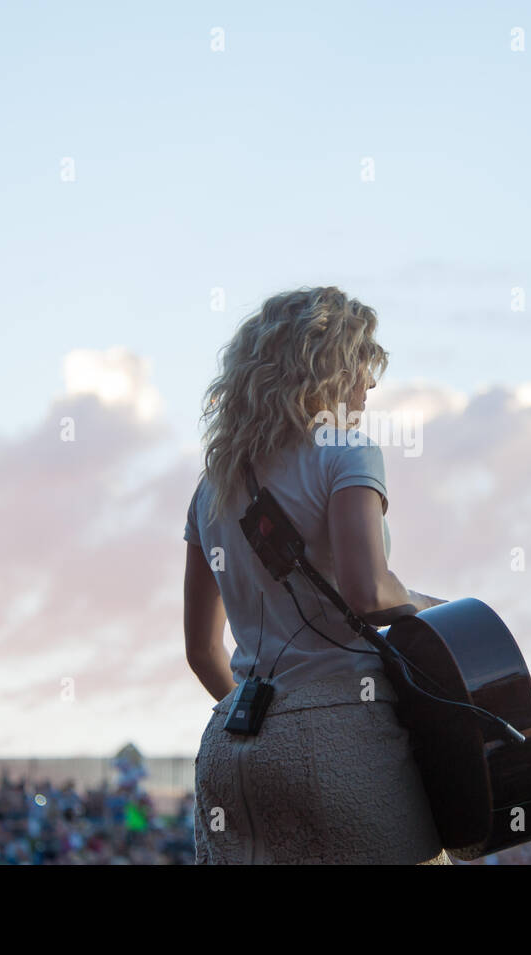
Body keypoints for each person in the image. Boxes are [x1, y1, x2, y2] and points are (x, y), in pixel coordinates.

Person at [182, 286, 449, 864]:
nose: (370, 385)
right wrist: (440, 609)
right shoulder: (347, 452)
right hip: (341, 732)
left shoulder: (211, 486)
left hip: (234, 746)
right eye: (361, 365)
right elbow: (370, 592)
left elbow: (202, 650)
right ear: (325, 369)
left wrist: (265, 722)